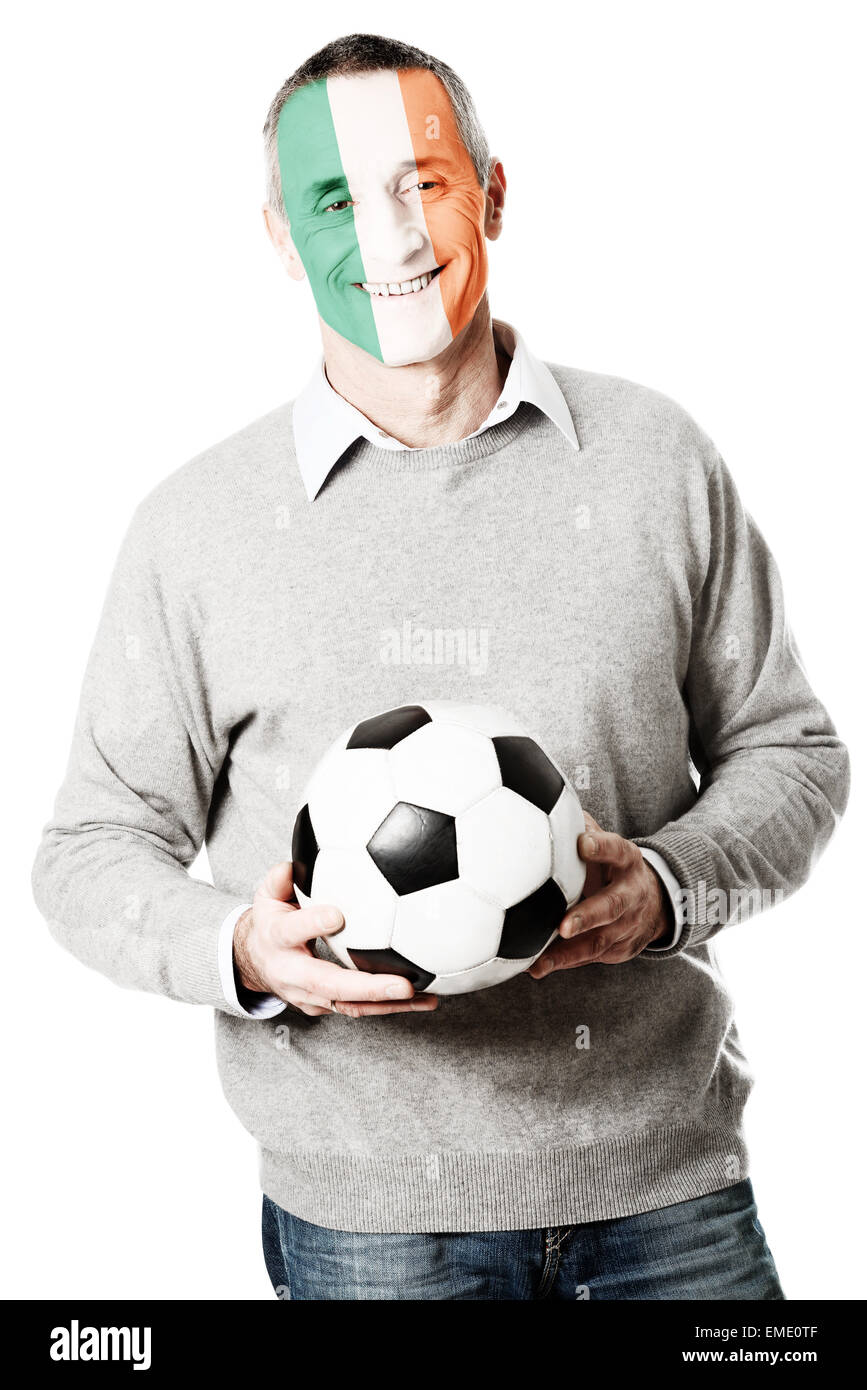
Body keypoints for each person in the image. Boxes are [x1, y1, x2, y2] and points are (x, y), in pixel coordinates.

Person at [32, 32, 850, 1301]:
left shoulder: (655, 461)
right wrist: (243, 949)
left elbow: (792, 751)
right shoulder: (196, 527)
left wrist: (671, 886)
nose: (396, 236)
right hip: (372, 1237)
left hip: (673, 1199)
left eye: (424, 181)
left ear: (495, 192)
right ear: (278, 237)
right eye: (338, 200)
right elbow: (90, 845)